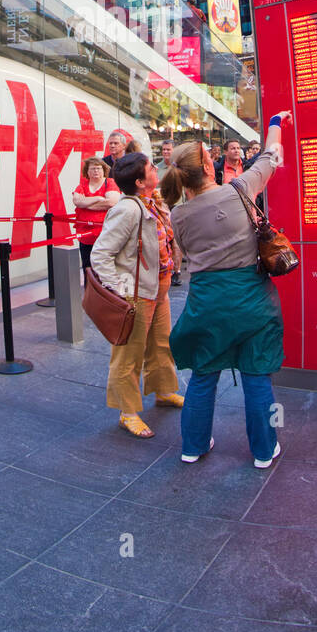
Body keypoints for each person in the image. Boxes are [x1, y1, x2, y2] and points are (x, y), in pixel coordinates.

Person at [161, 113, 291, 468]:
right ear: (208, 163)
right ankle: (264, 450)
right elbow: (272, 155)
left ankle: (193, 446)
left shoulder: (179, 216)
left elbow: (187, 255)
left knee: (203, 374)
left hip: (207, 301)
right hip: (252, 298)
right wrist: (277, 121)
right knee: (256, 373)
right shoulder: (241, 189)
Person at [91, 151, 183, 438]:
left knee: (160, 344)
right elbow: (101, 254)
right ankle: (127, 412)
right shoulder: (127, 209)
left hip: (159, 291)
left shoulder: (151, 202)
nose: (157, 170)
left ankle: (163, 391)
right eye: (151, 169)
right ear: (141, 181)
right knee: (128, 355)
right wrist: (121, 289)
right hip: (137, 295)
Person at [72, 156, 120, 277]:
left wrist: (86, 204)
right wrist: (98, 199)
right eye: (92, 169)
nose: (96, 171)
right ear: (87, 171)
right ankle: (90, 293)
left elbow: (111, 202)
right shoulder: (82, 184)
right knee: (87, 267)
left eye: (98, 168)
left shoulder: (110, 183)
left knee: (105, 268)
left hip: (105, 234)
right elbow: (77, 201)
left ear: (104, 170)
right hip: (85, 235)